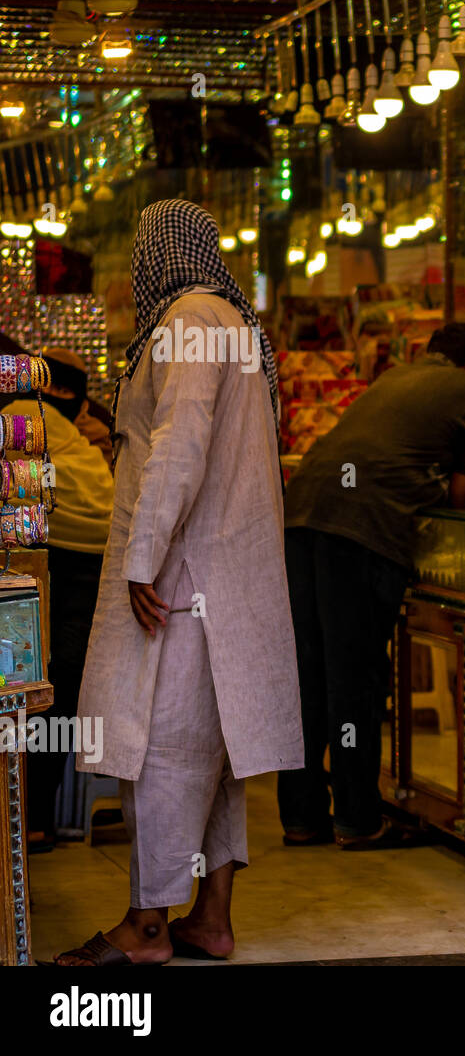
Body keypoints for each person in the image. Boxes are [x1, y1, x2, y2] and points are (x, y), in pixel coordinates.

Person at [55, 199, 302, 965]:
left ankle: (147, 925)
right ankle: (211, 917)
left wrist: (140, 556)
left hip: (183, 575)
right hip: (226, 574)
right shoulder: (232, 321)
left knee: (162, 747)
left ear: (157, 253)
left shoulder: (189, 319)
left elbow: (178, 448)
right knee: (215, 751)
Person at [277, 321, 465, 849]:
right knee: (356, 677)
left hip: (300, 513)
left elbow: (395, 455)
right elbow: (461, 495)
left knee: (308, 670)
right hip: (362, 528)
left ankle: (301, 816)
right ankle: (358, 820)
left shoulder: (392, 379)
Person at [2, 348, 114, 854]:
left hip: (51, 555)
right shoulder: (69, 427)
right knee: (59, 687)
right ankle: (38, 822)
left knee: (23, 684)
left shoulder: (20, 413)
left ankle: (23, 821)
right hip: (95, 553)